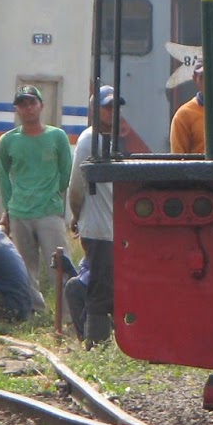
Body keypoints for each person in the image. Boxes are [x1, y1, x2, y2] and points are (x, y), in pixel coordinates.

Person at [66, 85, 144, 345]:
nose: (113, 112)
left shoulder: (114, 139)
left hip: (113, 225)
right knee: (99, 286)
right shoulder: (90, 141)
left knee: (111, 283)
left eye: (115, 107)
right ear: (94, 110)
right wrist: (76, 216)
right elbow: (77, 185)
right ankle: (95, 342)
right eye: (107, 107)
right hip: (98, 226)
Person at [0, 85, 73, 311]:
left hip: (49, 211)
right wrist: (9, 207)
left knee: (60, 266)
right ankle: (33, 311)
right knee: (25, 268)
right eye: (22, 104)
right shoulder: (8, 140)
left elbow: (65, 172)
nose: (28, 108)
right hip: (20, 212)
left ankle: (68, 316)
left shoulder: (57, 136)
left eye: (32, 103)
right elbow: (3, 175)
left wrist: (52, 194)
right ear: (16, 109)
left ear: (41, 106)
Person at [169, 59, 206, 154]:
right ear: (195, 78)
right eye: (203, 77)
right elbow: (178, 161)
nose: (208, 82)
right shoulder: (184, 115)